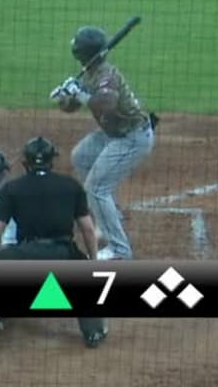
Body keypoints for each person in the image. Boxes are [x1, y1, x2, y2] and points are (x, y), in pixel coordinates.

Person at [0, 136, 108, 353]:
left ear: (25, 162)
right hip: (63, 254)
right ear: (51, 161)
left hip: (24, 255)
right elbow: (88, 229)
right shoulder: (71, 185)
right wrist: (93, 262)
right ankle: (93, 331)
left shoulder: (12, 188)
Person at [51, 25, 157, 261]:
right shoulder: (90, 71)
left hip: (132, 137)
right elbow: (72, 108)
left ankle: (120, 251)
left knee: (96, 188)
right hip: (114, 134)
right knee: (81, 157)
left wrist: (80, 94)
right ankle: (110, 213)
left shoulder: (105, 74)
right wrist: (65, 97)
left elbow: (105, 103)